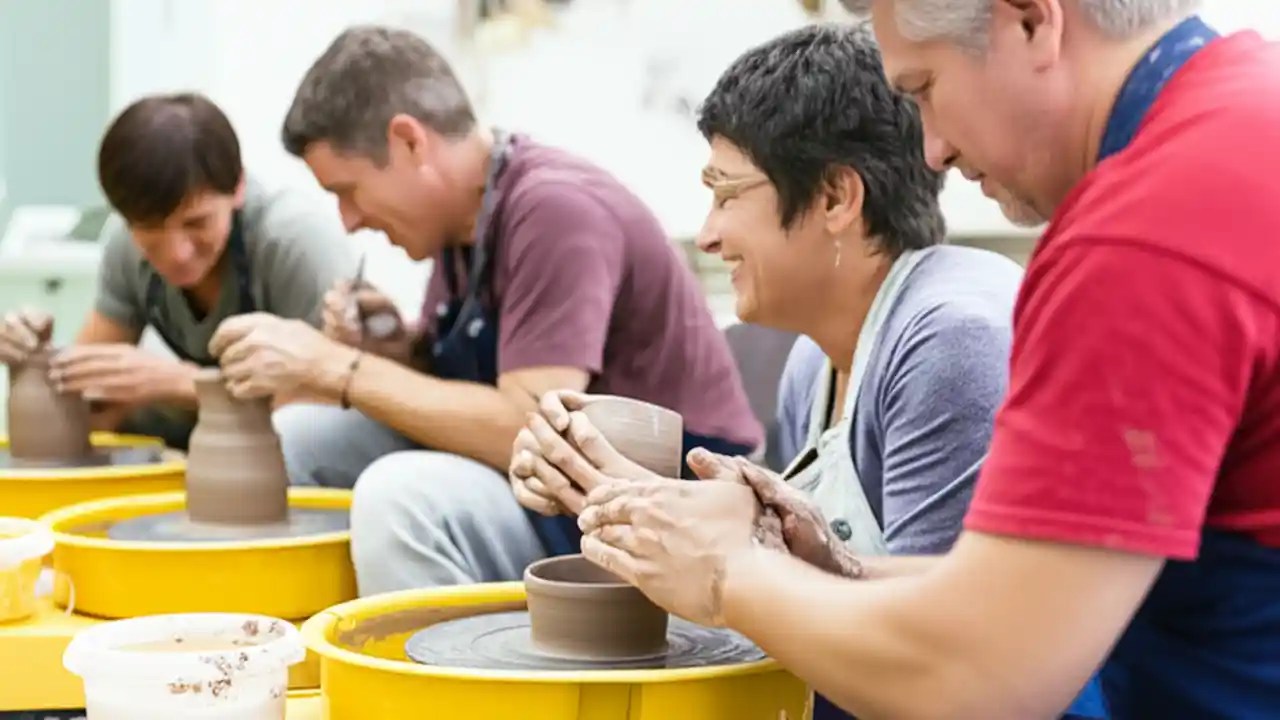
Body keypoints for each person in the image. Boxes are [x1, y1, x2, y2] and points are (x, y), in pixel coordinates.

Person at [525, 2, 1280, 718]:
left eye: (923, 89)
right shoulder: (1244, 113)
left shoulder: (1135, 241)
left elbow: (979, 682)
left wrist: (730, 574)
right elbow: (1020, 596)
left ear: (1029, 19)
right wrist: (822, 565)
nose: (930, 151)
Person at [207, 25, 762, 596]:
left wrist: (332, 367)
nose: (348, 220)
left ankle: (439, 676)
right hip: (555, 483)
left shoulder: (555, 210)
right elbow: (478, 393)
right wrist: (403, 350)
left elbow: (526, 426)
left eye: (348, 191)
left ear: (410, 143)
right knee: (297, 437)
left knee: (400, 500)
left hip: (661, 504)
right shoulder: (462, 223)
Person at [0, 93, 353, 450]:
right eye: (149, 227)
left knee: (293, 432)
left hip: (312, 433)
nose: (177, 254)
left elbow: (331, 397)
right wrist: (31, 354)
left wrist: (186, 384)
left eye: (196, 222)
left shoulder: (293, 240)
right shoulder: (125, 248)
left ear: (238, 188)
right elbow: (84, 393)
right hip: (223, 426)